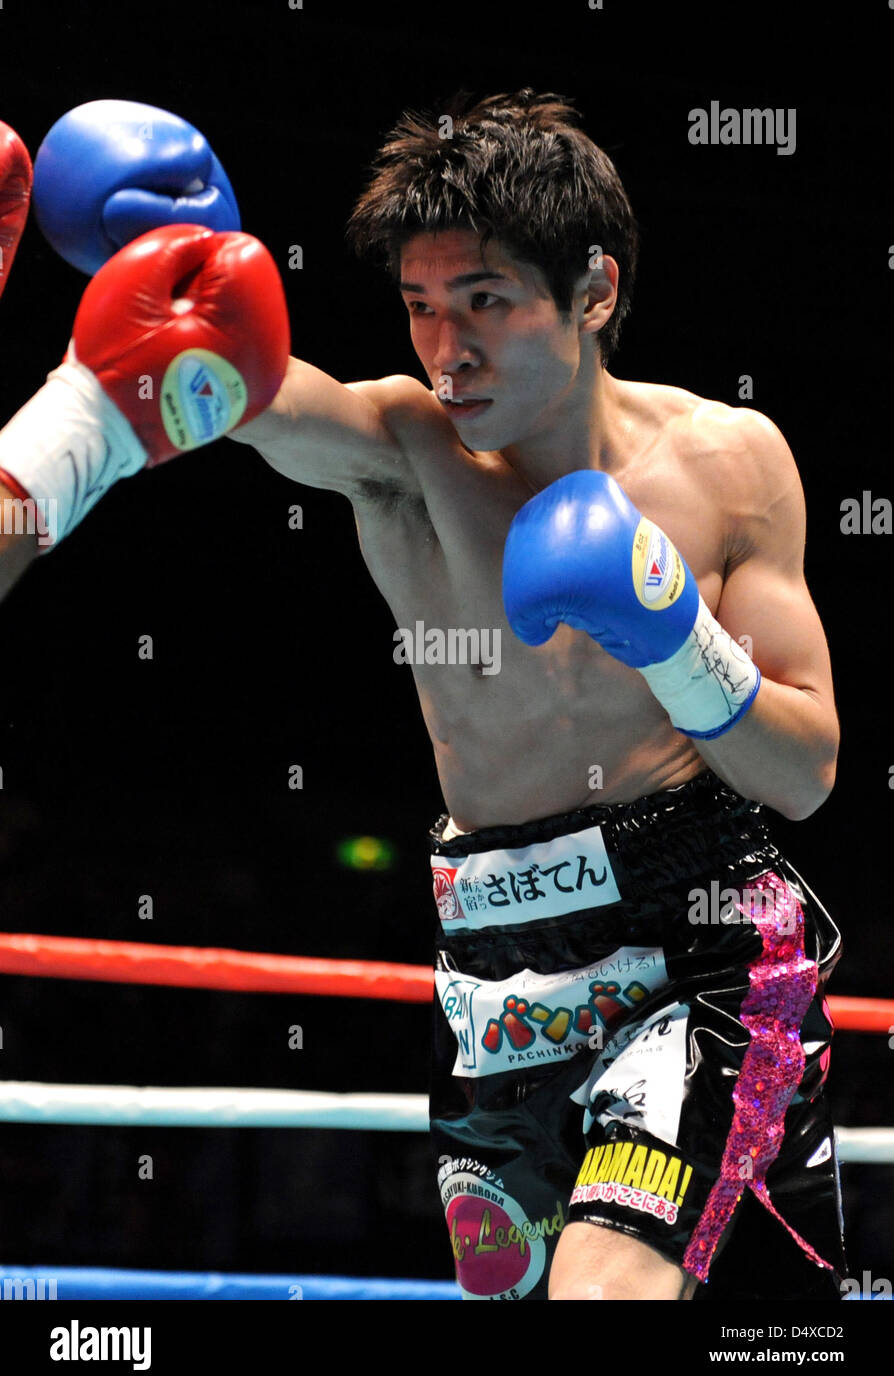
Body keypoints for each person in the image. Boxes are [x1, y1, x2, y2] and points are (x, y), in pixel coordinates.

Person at [0, 89, 847, 1301]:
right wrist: (177, 285)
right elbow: (243, 394)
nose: (446, 353)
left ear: (594, 291)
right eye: (418, 309)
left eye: (485, 304)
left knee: (611, 1286)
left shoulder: (731, 464)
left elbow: (808, 771)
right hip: (496, 969)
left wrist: (676, 641)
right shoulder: (404, 449)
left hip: (697, 935)